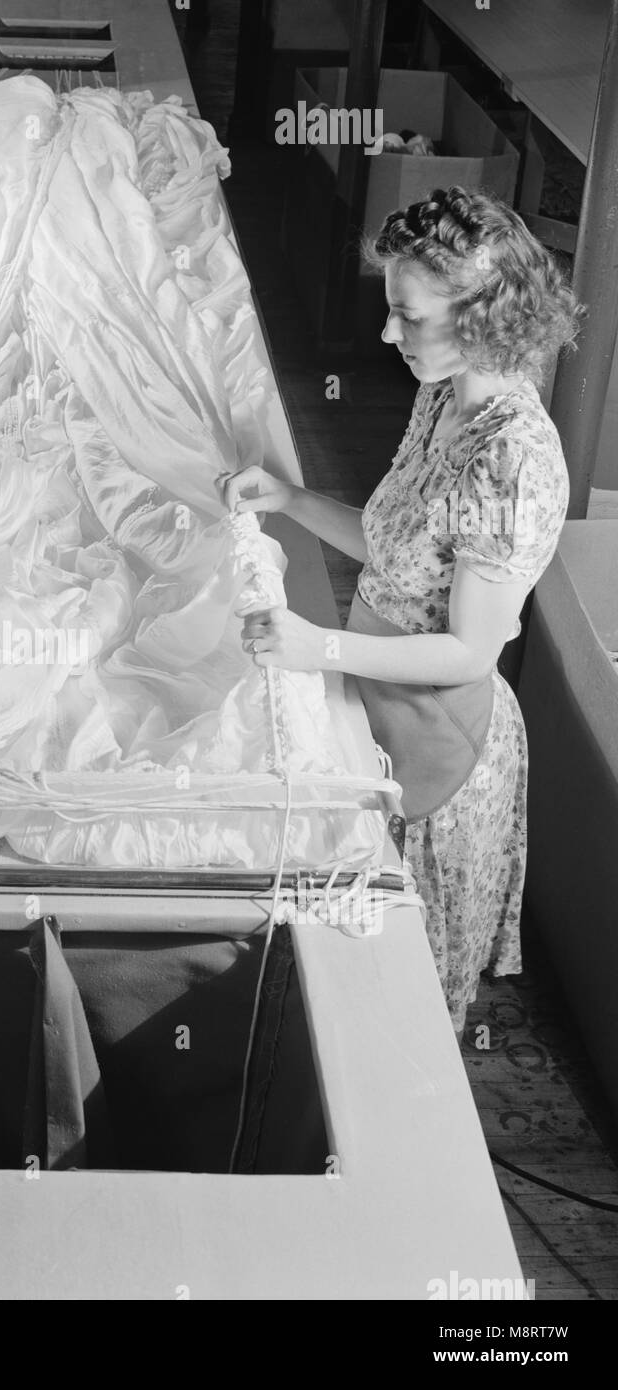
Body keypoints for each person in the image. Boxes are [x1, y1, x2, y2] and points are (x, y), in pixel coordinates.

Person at [219, 185, 582, 1034]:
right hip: (383, 717)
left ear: (483, 313)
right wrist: (287, 498)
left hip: (441, 750)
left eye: (407, 317)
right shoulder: (443, 393)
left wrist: (323, 649)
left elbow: (466, 652)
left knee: (402, 1012)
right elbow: (396, 546)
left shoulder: (511, 459)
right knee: (357, 986)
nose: (388, 334)